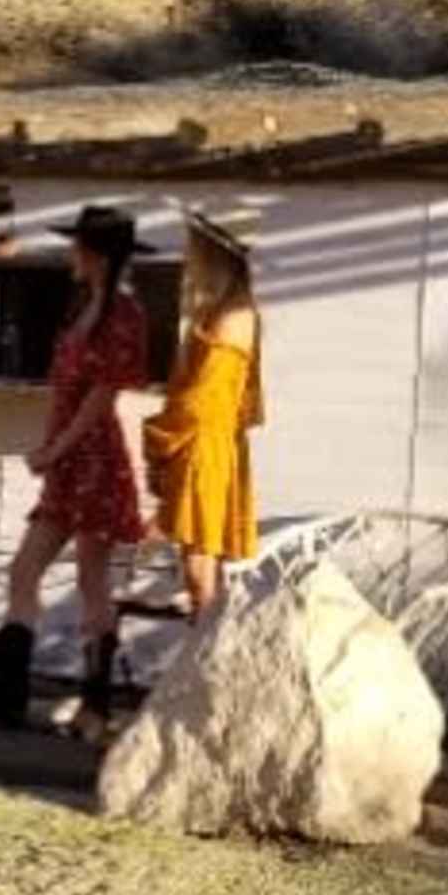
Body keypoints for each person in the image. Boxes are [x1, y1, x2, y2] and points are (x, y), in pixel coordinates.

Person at [0, 204, 151, 733]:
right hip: (67, 461)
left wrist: (55, 451)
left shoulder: (123, 314)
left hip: (93, 459)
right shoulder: (85, 305)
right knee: (24, 570)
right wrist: (53, 451)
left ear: (95, 255)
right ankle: (7, 701)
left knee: (90, 579)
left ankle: (94, 708)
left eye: (78, 247)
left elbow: (102, 396)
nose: (70, 255)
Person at [145, 225, 262, 619]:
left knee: (200, 563)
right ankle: (207, 654)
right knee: (203, 561)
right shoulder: (229, 307)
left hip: (203, 444)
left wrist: (158, 438)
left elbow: (200, 400)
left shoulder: (231, 315)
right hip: (213, 442)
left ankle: (204, 662)